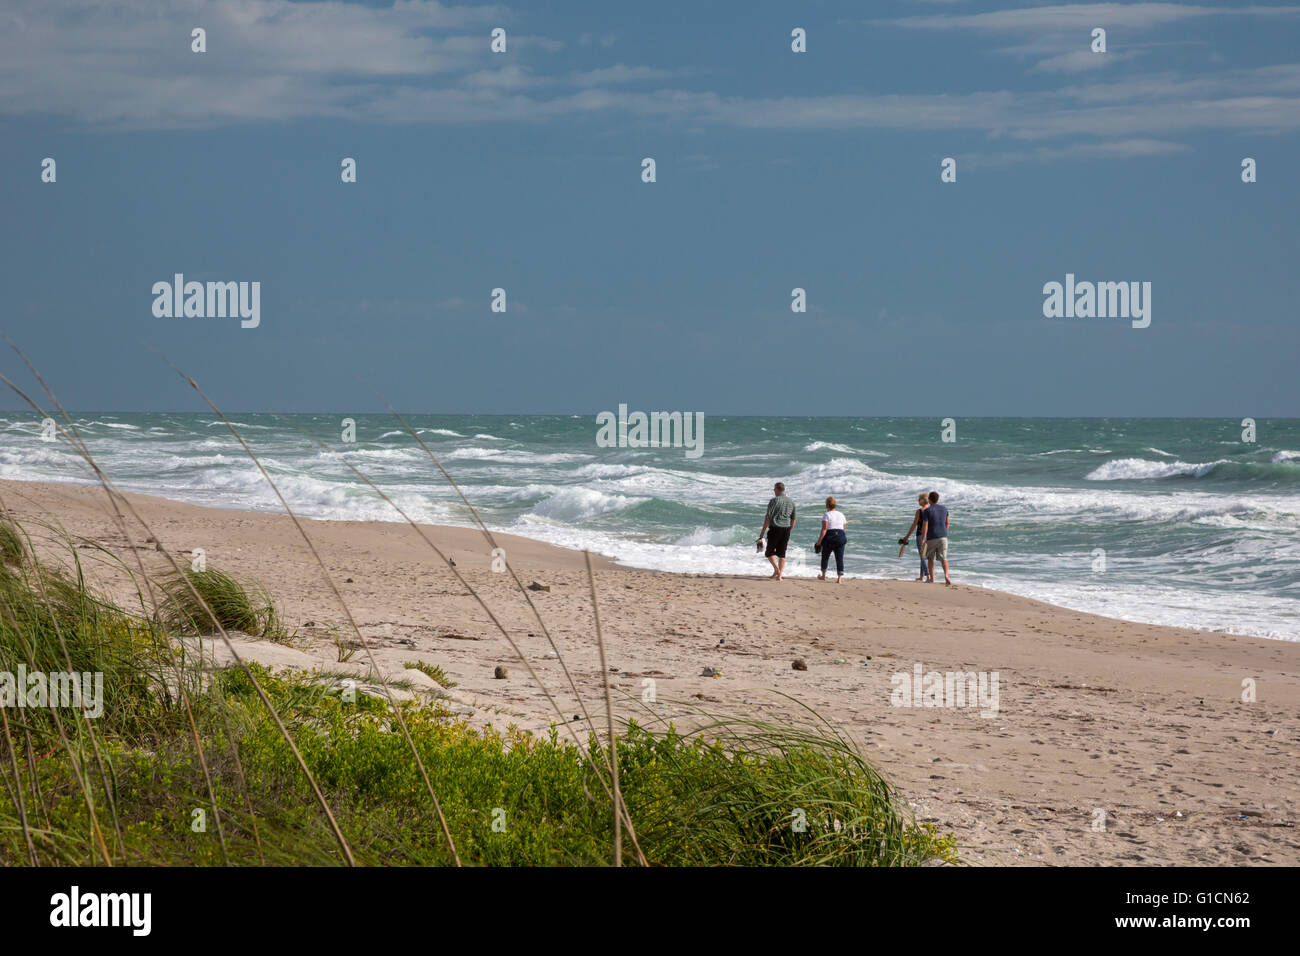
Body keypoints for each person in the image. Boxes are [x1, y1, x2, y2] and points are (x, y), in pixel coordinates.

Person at [759, 481, 797, 581]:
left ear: (777, 489)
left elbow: (767, 517)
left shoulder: (774, 501)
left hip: (775, 529)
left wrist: (762, 532)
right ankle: (779, 576)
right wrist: (789, 530)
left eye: (774, 490)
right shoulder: (791, 502)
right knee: (782, 553)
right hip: (786, 529)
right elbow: (794, 519)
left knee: (769, 552)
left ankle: (776, 570)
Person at [919, 490, 952, 586]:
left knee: (930, 558)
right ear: (937, 499)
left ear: (929, 500)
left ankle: (932, 578)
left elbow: (925, 526)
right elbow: (947, 523)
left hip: (931, 537)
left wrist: (923, 538)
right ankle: (946, 576)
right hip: (943, 537)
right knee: (944, 558)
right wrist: (945, 532)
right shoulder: (944, 509)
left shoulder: (927, 511)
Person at [899, 492, 931, 582]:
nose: (918, 501)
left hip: (920, 535)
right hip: (930, 536)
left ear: (922, 500)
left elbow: (914, 525)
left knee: (922, 556)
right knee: (924, 555)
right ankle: (921, 577)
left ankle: (928, 576)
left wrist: (907, 536)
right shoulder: (931, 510)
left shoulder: (919, 511)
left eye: (919, 499)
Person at [815, 496, 848, 583]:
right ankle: (839, 579)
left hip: (830, 537)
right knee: (839, 558)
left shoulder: (827, 515)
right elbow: (844, 528)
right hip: (840, 537)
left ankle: (823, 576)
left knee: (825, 557)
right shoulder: (841, 514)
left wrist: (819, 542)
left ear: (827, 505)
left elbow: (824, 529)